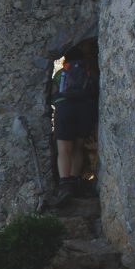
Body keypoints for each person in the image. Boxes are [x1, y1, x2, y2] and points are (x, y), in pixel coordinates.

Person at [51, 48, 96, 203]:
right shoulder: (89, 71)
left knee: (64, 150)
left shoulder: (59, 74)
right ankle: (75, 180)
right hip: (84, 109)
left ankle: (65, 186)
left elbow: (52, 94)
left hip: (65, 110)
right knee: (78, 147)